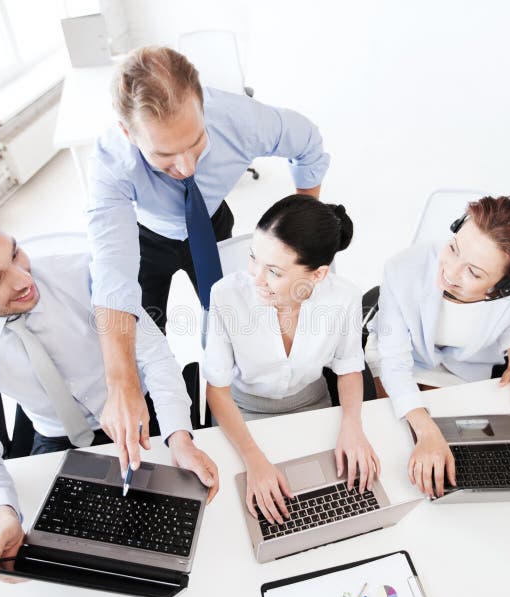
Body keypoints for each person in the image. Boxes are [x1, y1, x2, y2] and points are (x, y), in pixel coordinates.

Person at [0, 197, 219, 563]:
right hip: (55, 435)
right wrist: (1, 514)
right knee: (60, 549)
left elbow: (155, 357)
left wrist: (180, 438)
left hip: (142, 411)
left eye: (15, 253)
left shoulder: (85, 272)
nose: (24, 280)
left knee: (183, 530)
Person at [85, 46, 330, 479]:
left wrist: (301, 225)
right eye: (164, 156)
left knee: (237, 319)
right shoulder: (110, 164)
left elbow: (309, 144)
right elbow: (112, 274)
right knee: (145, 335)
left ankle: (233, 407)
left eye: (196, 143)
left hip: (210, 221)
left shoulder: (241, 119)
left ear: (202, 104)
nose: (185, 166)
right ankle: (165, 428)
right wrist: (120, 382)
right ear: (128, 133)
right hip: (145, 238)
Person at [204, 195, 380, 525]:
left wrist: (352, 426)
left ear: (318, 274)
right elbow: (217, 389)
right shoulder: (226, 295)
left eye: (274, 271)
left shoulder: (344, 297)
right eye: (253, 258)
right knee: (245, 513)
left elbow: (349, 367)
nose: (256, 278)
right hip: (242, 414)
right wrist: (253, 458)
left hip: (311, 407)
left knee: (335, 500)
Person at [367, 195, 510, 498]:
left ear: (506, 286)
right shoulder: (403, 269)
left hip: (463, 369)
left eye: (474, 272)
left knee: (465, 457)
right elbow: (394, 362)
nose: (450, 272)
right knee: (394, 442)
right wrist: (426, 430)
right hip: (404, 359)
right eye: (454, 248)